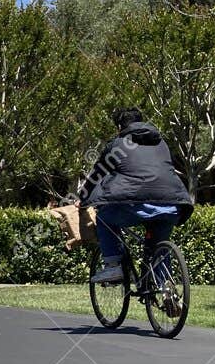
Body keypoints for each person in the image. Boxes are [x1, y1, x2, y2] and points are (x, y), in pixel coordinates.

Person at [79, 108, 193, 284]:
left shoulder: (116, 145)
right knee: (158, 245)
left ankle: (113, 266)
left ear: (119, 126)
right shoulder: (161, 143)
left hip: (134, 203)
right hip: (173, 203)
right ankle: (166, 289)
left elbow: (97, 175)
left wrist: (83, 200)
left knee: (104, 218)